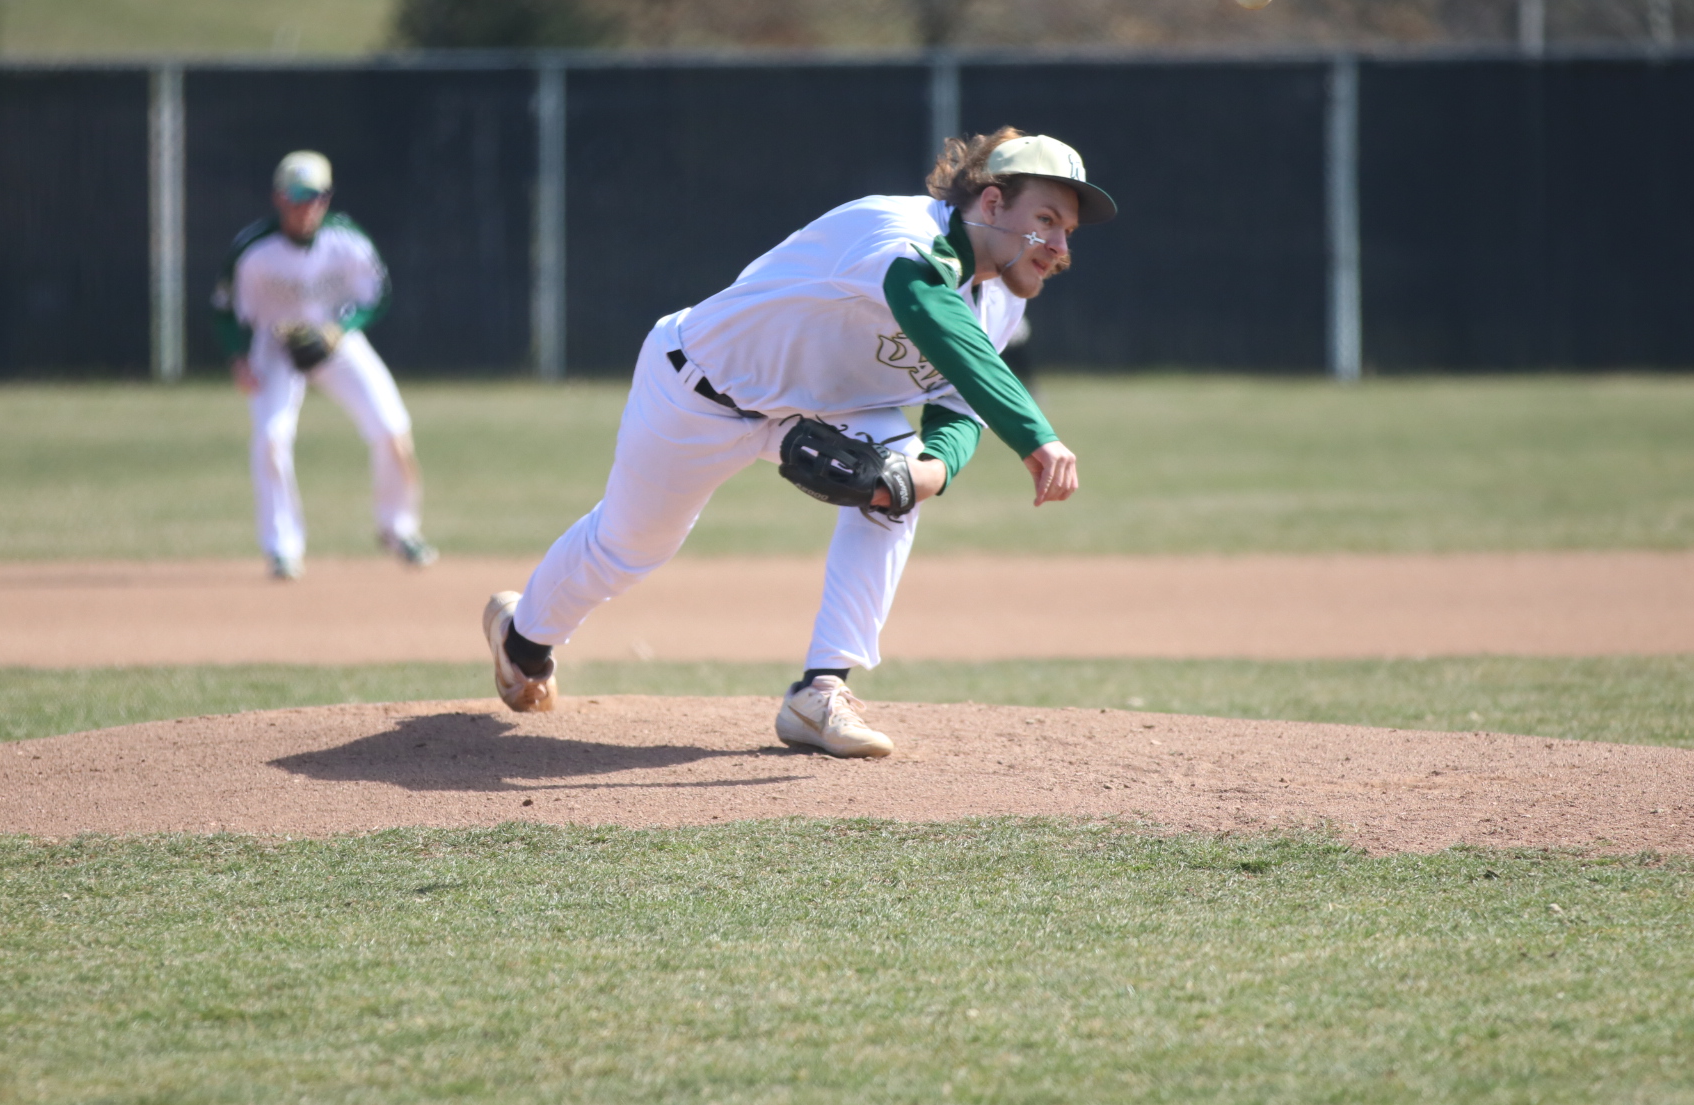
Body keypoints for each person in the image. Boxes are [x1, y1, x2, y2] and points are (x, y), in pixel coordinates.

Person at [483, 128, 1116, 755]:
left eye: (1068, 232)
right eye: (1047, 219)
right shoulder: (898, 232)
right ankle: (523, 642)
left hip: (831, 407)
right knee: (629, 547)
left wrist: (929, 472)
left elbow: (956, 402)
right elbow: (921, 300)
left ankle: (821, 690)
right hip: (699, 389)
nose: (1060, 246)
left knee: (893, 488)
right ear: (992, 202)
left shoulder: (999, 302)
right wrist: (1035, 436)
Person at [211, 150, 438, 581]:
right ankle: (283, 548)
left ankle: (399, 528)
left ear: (328, 198)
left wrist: (343, 327)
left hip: (335, 339)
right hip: (274, 345)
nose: (305, 205)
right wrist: (238, 357)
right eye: (295, 195)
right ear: (278, 199)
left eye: (315, 195)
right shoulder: (254, 249)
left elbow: (377, 295)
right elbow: (225, 309)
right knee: (271, 439)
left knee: (392, 428)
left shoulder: (346, 240)